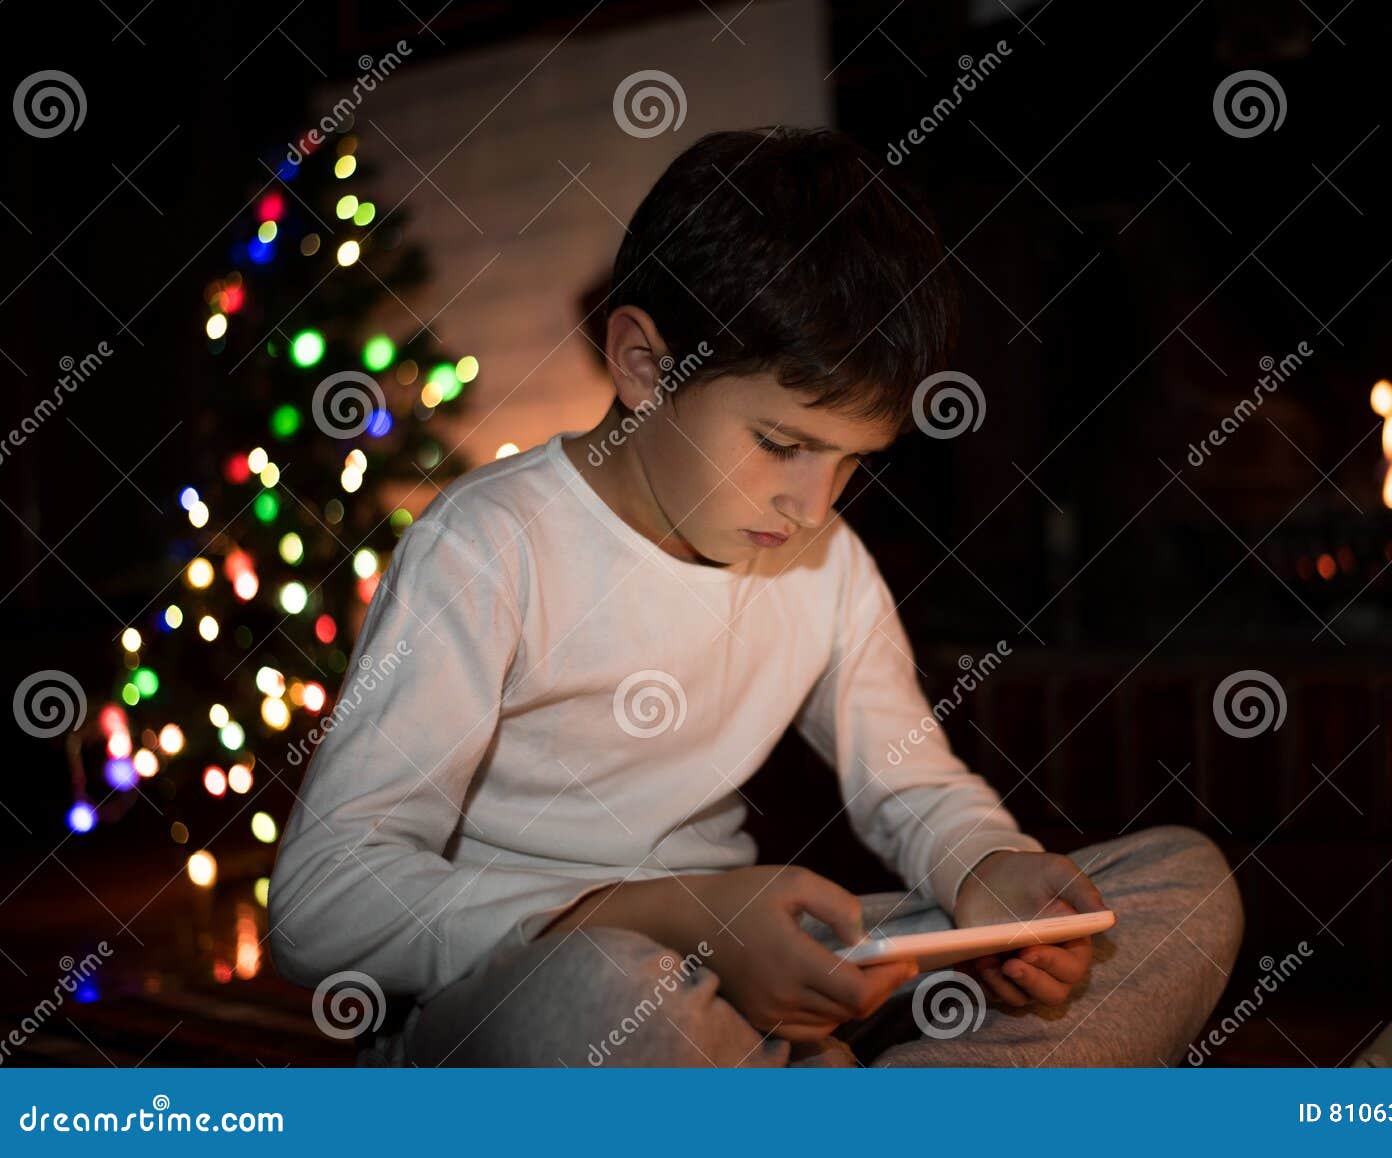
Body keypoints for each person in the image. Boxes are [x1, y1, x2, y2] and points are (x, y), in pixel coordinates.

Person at [266, 126, 1243, 1067]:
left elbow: (912, 786)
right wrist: (678, 919)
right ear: (644, 365)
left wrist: (987, 868)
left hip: (740, 993)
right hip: (530, 997)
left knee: (1183, 890)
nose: (812, 505)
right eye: (781, 444)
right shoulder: (489, 548)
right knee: (603, 995)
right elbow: (323, 907)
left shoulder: (825, 563)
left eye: (851, 462)